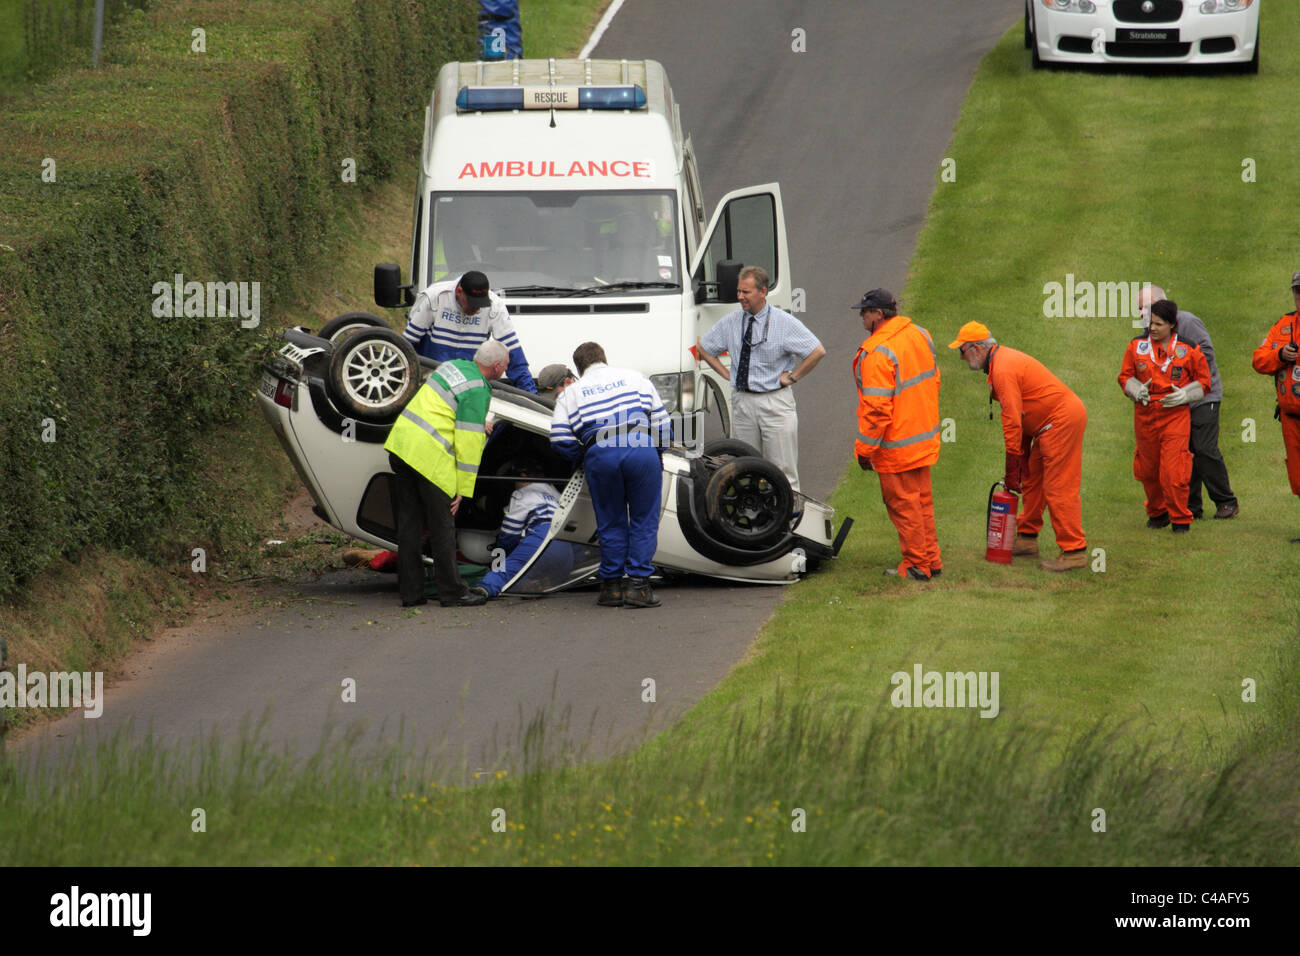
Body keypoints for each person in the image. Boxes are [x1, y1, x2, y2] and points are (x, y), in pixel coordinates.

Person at [949, 322, 1088, 572]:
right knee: (1033, 480)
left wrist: (1013, 461)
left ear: (977, 348)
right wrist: (1021, 456)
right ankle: (1026, 538)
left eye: (962, 350)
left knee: (1058, 486)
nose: (961, 357)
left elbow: (1012, 418)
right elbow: (1023, 413)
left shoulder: (1002, 369)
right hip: (1050, 424)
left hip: (1060, 422)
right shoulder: (1000, 362)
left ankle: (1074, 550)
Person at [383, 339, 510, 607]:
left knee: (409, 525)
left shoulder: (452, 367)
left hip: (402, 445)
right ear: (497, 366)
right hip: (429, 457)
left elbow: (445, 408)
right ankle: (452, 592)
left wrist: (479, 421)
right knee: (443, 527)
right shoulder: (478, 390)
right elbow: (468, 444)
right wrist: (462, 491)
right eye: (506, 366)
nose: (506, 371)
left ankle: (411, 594)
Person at [551, 342, 673, 607]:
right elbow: (663, 424)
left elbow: (559, 437)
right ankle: (639, 588)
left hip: (600, 453)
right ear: (604, 359)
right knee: (643, 520)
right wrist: (658, 451)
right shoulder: (635, 378)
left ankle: (612, 588)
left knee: (610, 521)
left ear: (580, 369)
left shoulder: (571, 393)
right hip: (640, 447)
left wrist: (583, 456)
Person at [697, 266, 825, 491]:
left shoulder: (783, 322)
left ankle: (790, 517)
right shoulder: (732, 321)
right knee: (744, 465)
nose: (740, 297)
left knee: (782, 469)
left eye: (746, 292)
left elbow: (816, 351)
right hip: (743, 402)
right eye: (738, 291)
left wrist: (793, 377)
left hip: (774, 402)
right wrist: (727, 374)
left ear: (763, 292)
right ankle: (752, 518)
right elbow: (705, 348)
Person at [852, 289, 942, 580]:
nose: (861, 316)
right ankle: (932, 561)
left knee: (905, 508)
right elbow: (933, 381)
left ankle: (917, 566)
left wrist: (864, 451)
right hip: (922, 437)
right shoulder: (920, 334)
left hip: (897, 446)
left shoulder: (877, 352)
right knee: (922, 503)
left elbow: (876, 410)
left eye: (865, 312)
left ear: (879, 315)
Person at [1137, 284, 1238, 519]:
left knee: (1203, 448)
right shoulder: (1149, 333)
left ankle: (1226, 501)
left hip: (1203, 396)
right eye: (1139, 308)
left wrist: (1177, 370)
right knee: (1183, 453)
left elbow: (1207, 352)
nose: (1142, 313)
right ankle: (1190, 506)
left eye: (1147, 307)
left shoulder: (1187, 321)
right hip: (1175, 403)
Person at [1118, 299, 1211, 534]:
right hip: (1145, 414)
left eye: (1158, 324)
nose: (1152, 328)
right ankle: (1158, 513)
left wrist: (1185, 396)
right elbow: (1125, 376)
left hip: (1175, 415)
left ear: (1172, 324)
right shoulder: (1136, 346)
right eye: (1150, 323)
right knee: (1147, 470)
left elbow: (1204, 383)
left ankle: (1180, 519)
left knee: (1173, 470)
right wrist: (1135, 391)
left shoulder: (1189, 349)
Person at [401, 270, 537, 393]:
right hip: (430, 381)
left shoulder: (495, 306)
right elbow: (406, 346)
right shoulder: (433, 298)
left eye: (480, 305)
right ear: (459, 292)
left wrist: (531, 394)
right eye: (472, 303)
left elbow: (514, 356)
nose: (476, 309)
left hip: (469, 386)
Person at [469, 463, 570, 599]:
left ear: (522, 477)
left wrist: (504, 555)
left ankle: (483, 589)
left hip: (542, 535)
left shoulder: (522, 494)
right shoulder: (557, 494)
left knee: (503, 571)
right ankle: (536, 586)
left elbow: (510, 534)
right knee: (536, 568)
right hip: (566, 544)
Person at [1251, 269, 1300, 543]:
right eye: (1298, 291)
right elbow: (1259, 359)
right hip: (1291, 415)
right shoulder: (1283, 325)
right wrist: (1280, 355)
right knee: (1298, 476)